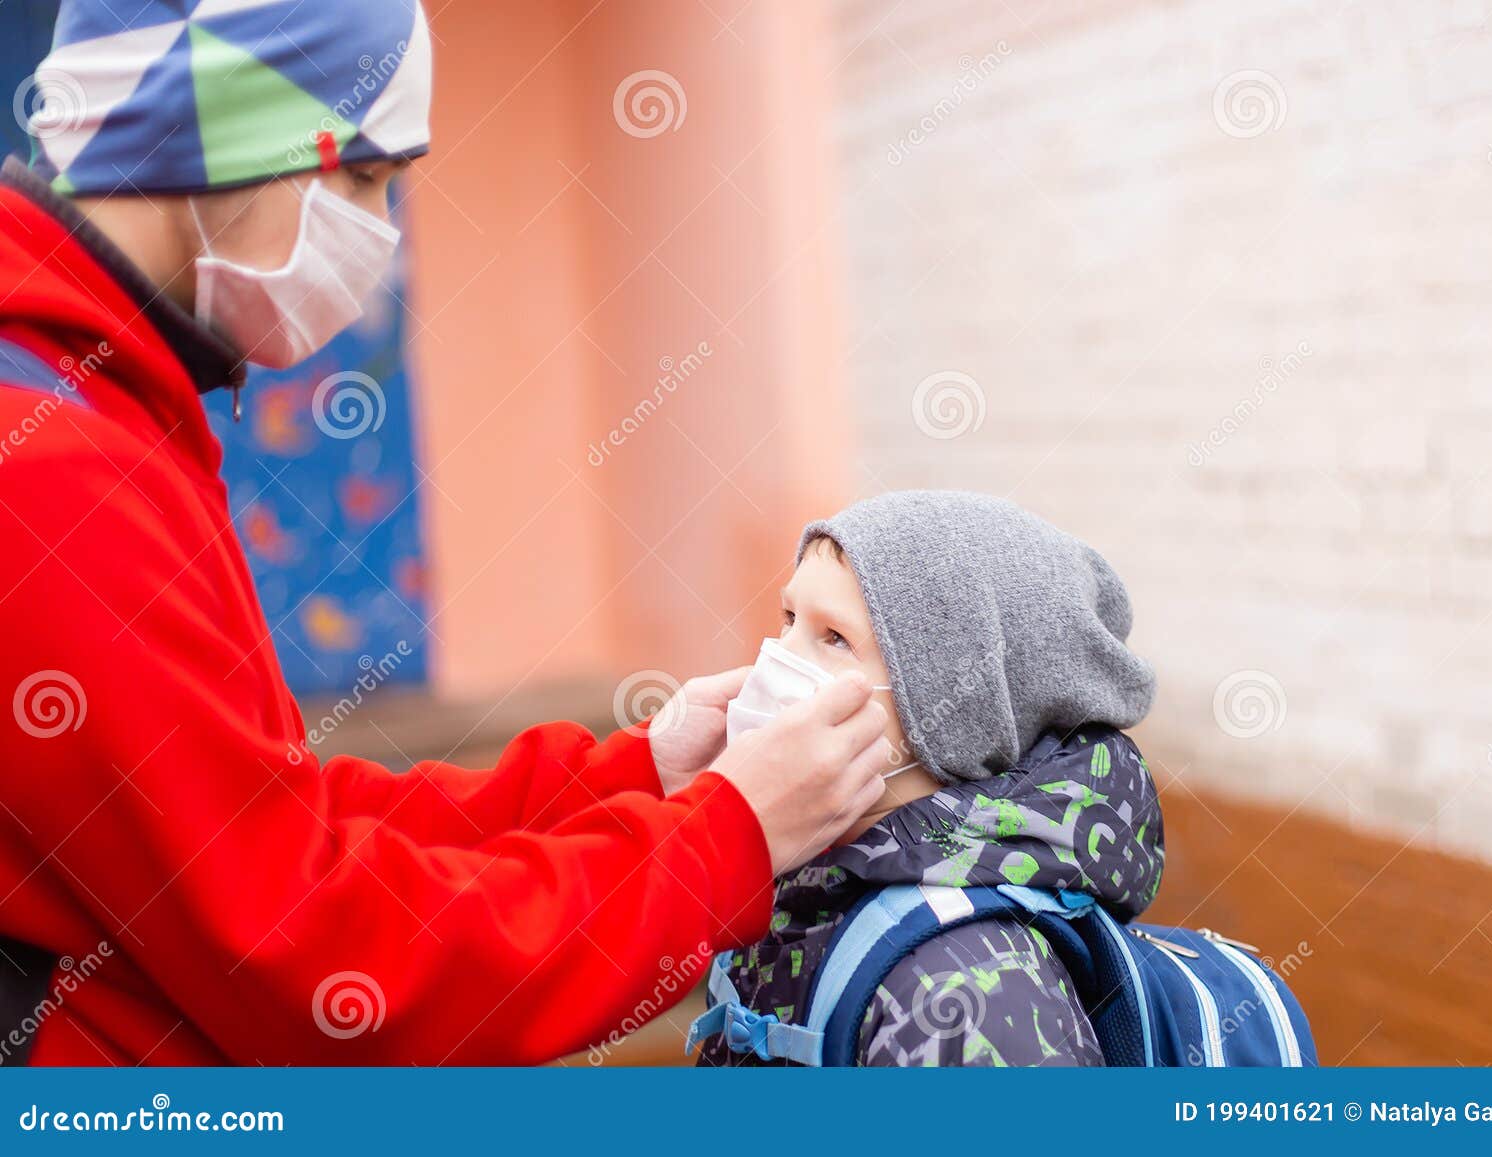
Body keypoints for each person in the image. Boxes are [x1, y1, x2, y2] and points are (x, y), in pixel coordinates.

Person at [0, 0, 888, 1065]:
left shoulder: (89, 396)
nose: (380, 229)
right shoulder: (53, 469)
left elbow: (267, 820)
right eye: (371, 178)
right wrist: (727, 840)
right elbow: (324, 962)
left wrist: (640, 776)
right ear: (248, 139)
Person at [693, 490, 1166, 1067]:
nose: (773, 661)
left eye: (834, 638)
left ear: (951, 715)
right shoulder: (804, 874)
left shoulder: (968, 990)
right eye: (789, 619)